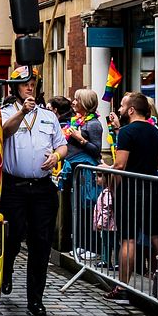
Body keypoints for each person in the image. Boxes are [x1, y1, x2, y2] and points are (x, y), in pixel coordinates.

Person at [0, 66, 67, 316]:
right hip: (13, 187)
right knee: (13, 237)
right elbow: (3, 133)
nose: (30, 87)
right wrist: (21, 113)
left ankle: (35, 298)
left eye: (33, 83)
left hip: (41, 188)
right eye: (25, 83)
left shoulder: (48, 116)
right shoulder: (4, 112)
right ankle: (6, 271)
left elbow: (62, 146)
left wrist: (56, 158)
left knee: (41, 244)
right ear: (15, 88)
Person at [104, 92, 158, 302]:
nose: (121, 110)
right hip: (150, 187)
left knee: (128, 239)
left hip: (130, 190)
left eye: (123, 107)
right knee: (157, 234)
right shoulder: (156, 132)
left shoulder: (126, 132)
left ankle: (122, 287)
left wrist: (108, 171)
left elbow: (121, 164)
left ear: (132, 110)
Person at [64, 89, 104, 262]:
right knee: (78, 209)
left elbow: (96, 150)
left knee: (88, 209)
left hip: (87, 171)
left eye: (76, 100)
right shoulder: (76, 121)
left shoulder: (93, 124)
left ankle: (92, 247)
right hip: (75, 171)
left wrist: (80, 139)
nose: (73, 102)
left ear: (85, 103)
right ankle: (80, 244)